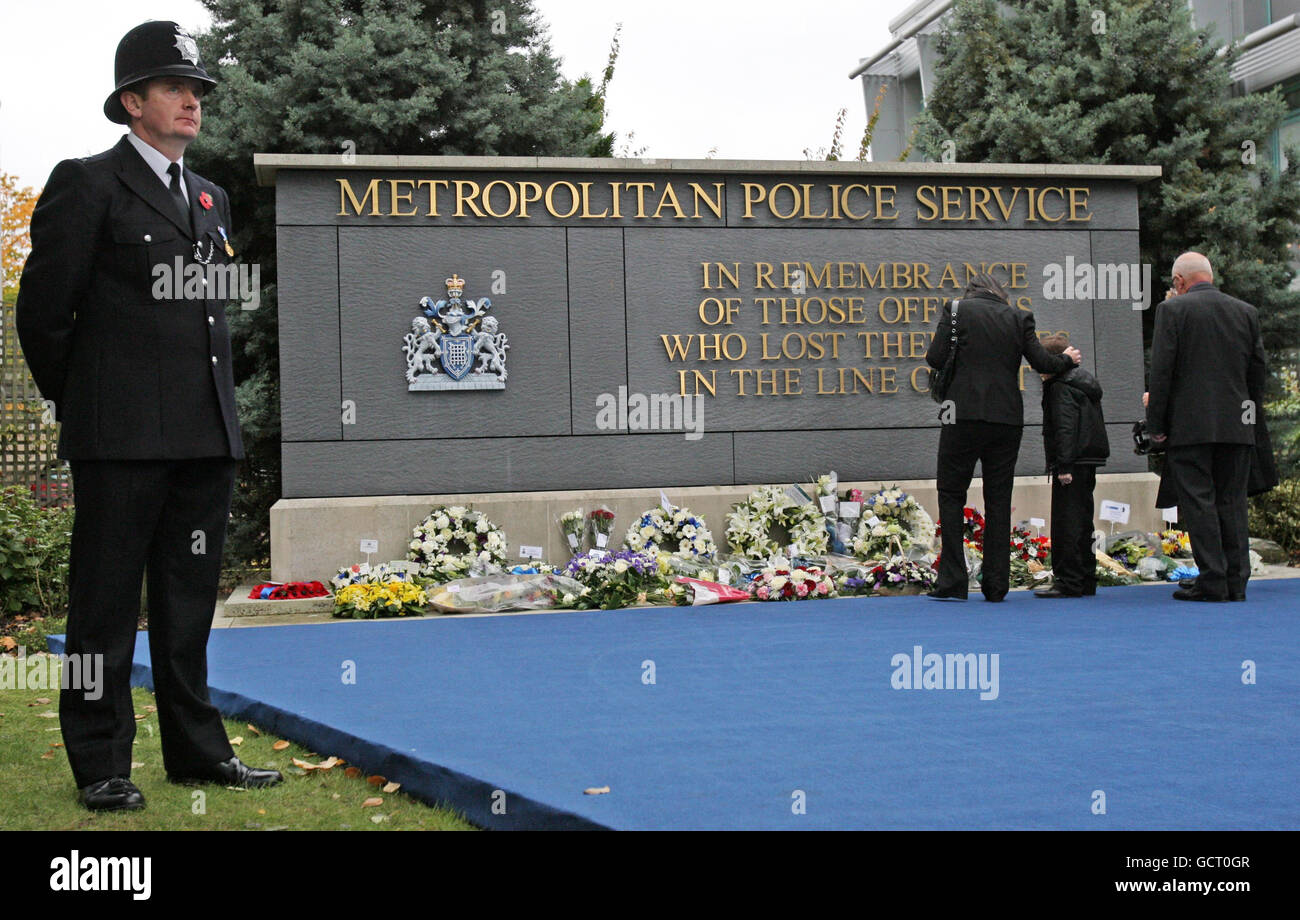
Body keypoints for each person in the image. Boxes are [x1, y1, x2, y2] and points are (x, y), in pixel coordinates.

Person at [15, 21, 281, 811]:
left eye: (197, 90)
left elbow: (208, 320)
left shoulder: (210, 198)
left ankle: (198, 755)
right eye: (174, 88)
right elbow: (44, 315)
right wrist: (87, 402)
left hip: (203, 435)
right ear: (133, 102)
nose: (191, 102)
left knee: (188, 604)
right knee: (102, 605)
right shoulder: (86, 183)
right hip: (120, 438)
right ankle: (101, 762)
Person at [925, 272, 1081, 601]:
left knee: (951, 493)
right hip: (1006, 417)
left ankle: (952, 582)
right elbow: (1042, 361)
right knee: (999, 498)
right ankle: (996, 585)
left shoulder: (956, 310)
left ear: (972, 292)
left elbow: (935, 358)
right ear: (1001, 294)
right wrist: (1067, 358)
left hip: (958, 413)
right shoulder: (1019, 317)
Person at [1146, 252, 1267, 602]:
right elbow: (1256, 374)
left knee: (1199, 502)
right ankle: (1236, 582)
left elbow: (1163, 371)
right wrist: (1250, 422)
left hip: (1190, 427)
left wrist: (1157, 427)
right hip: (1237, 427)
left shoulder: (1173, 311)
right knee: (1232, 500)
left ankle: (1213, 580)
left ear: (1180, 282)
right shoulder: (1246, 312)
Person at [1033, 335, 1109, 599]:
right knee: (1083, 521)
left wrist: (1063, 465)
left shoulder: (1059, 387)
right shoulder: (1082, 382)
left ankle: (1068, 581)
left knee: (1067, 522)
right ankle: (1086, 579)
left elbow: (1065, 427)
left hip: (1071, 463)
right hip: (1087, 460)